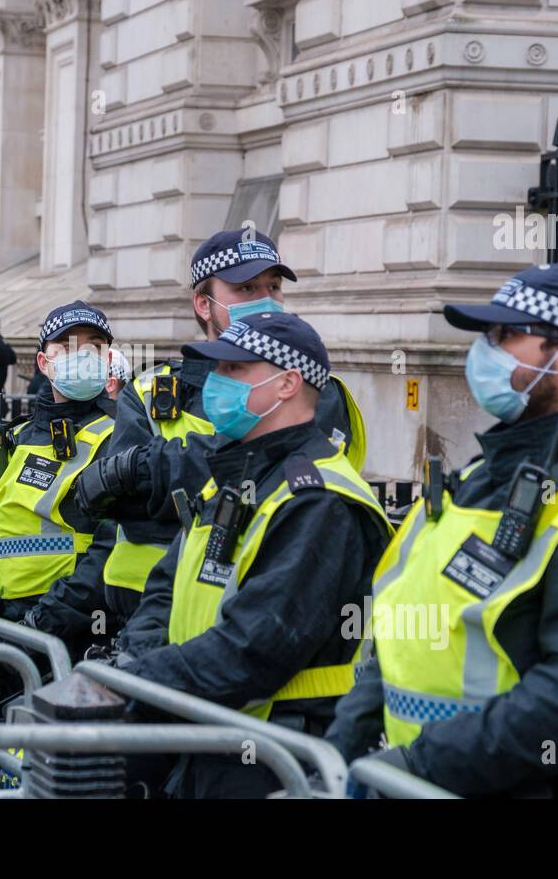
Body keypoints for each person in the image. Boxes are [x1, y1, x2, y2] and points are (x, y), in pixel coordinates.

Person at [326, 263, 558, 798]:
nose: (484, 352)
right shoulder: (475, 479)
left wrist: (416, 765)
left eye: (505, 336)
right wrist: (342, 755)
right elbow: (393, 638)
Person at [116, 312, 391, 798]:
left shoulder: (318, 500)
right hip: (207, 732)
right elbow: (165, 588)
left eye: (234, 371)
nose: (216, 384)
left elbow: (255, 648)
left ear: (286, 384)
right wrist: (134, 663)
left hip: (277, 756)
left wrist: (139, 681)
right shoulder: (234, 473)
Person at [78, 228, 367, 635]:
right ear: (204, 303)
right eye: (246, 288)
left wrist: (154, 469)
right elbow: (128, 508)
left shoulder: (311, 386)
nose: (265, 300)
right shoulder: (148, 389)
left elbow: (281, 473)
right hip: (142, 606)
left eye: (274, 286)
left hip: (257, 612)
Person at [0, 301, 117, 671]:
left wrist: (39, 625)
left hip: (73, 634)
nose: (81, 356)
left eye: (93, 347)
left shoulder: (122, 438)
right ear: (43, 363)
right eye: (67, 348)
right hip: (2, 629)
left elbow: (111, 548)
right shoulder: (16, 437)